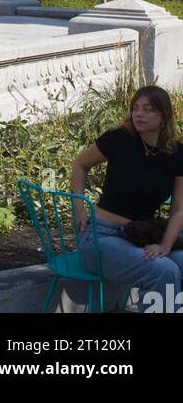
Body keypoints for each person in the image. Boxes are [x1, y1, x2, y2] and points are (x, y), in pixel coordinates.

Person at [72, 85, 183, 312]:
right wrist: (79, 206)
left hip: (140, 236)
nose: (139, 114)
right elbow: (80, 164)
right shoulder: (118, 139)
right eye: (135, 108)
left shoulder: (177, 154)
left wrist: (165, 245)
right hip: (101, 237)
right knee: (163, 270)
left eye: (147, 109)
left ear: (163, 116)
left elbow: (179, 210)